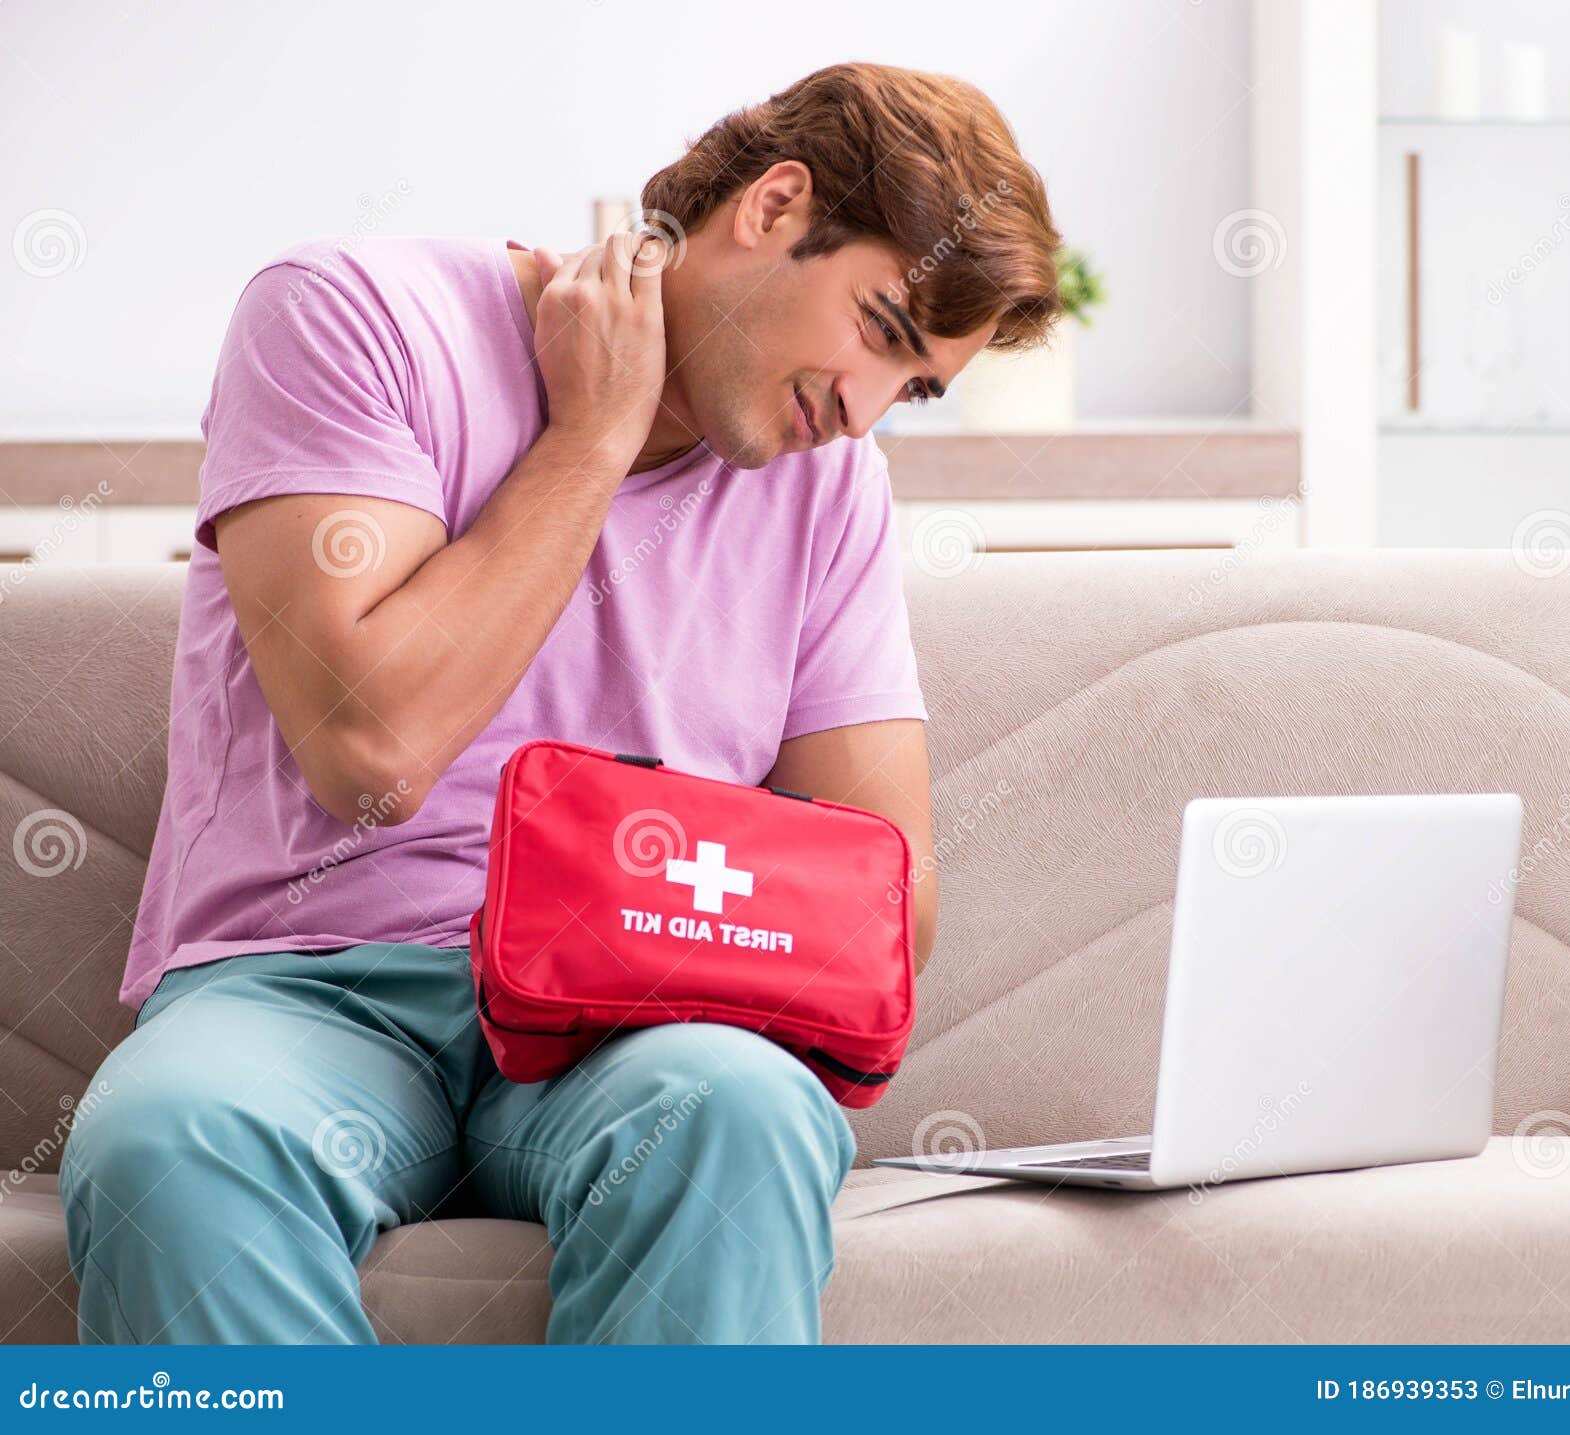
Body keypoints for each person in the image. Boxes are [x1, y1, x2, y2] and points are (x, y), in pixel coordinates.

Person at [61, 61, 1063, 1345]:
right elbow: (372, 751)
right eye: (878, 330)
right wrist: (593, 435)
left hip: (636, 1021)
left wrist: (634, 913)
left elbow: (887, 906)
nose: (861, 415)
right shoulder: (352, 317)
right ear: (773, 205)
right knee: (168, 1144)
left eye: (914, 387)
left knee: (739, 1112)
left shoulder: (828, 493)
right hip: (311, 991)